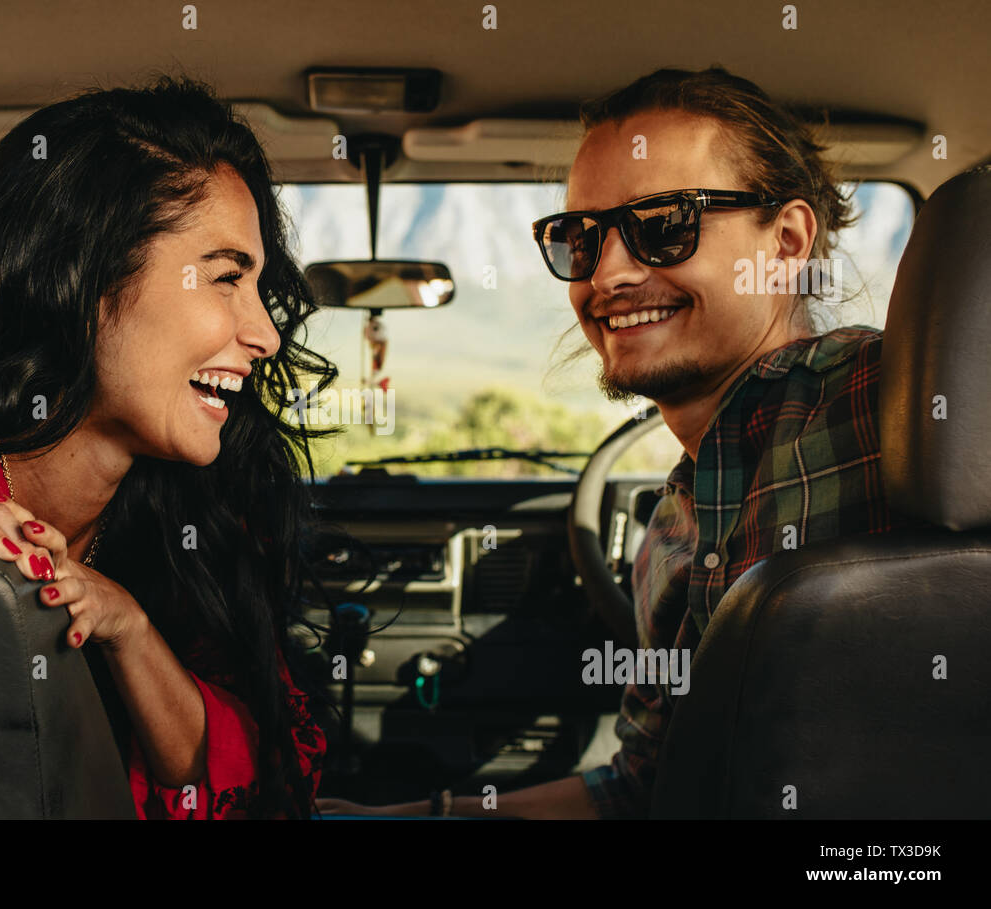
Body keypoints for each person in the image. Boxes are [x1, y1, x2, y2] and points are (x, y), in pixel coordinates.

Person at [319, 66, 924, 818]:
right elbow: (646, 785)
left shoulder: (894, 404)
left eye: (665, 224)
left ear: (789, 241)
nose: (606, 274)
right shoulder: (670, 528)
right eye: (580, 237)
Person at [0, 78, 336, 819]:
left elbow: (265, 781)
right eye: (227, 277)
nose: (265, 334)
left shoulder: (205, 512)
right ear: (84, 276)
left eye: (260, 288)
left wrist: (127, 627)